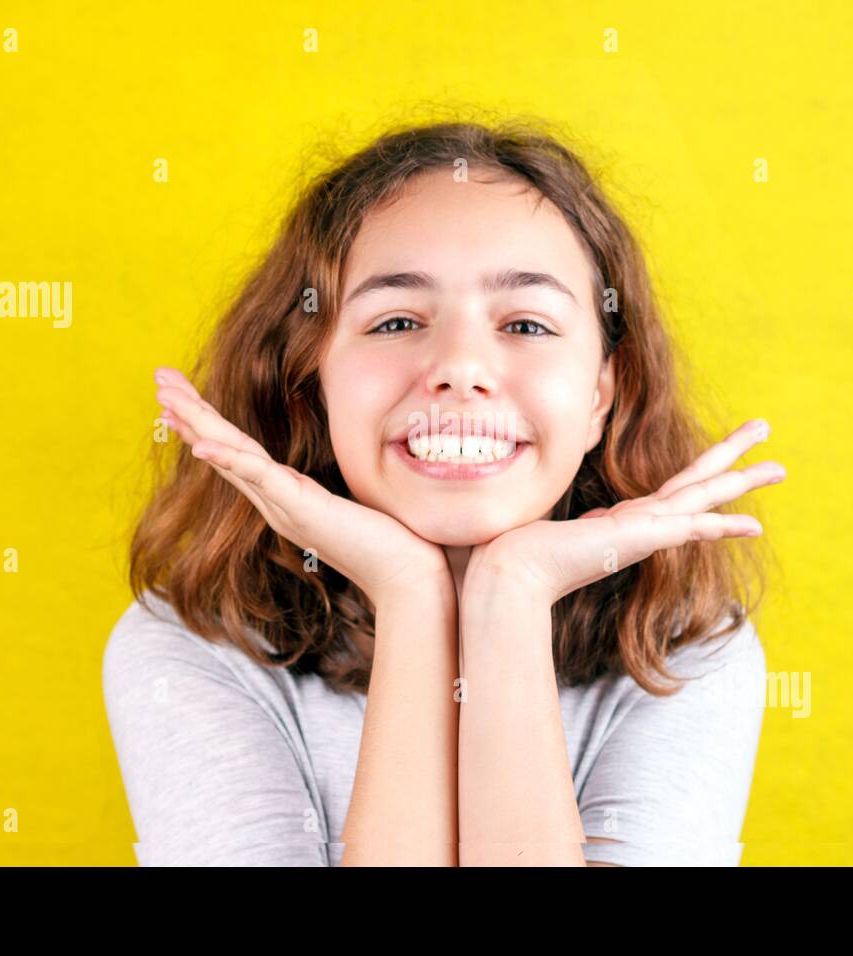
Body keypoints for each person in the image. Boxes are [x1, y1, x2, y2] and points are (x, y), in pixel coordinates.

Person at [102, 118, 787, 866]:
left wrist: (511, 594)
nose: (460, 366)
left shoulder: (686, 650)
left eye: (526, 323)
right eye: (395, 320)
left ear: (599, 396)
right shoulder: (191, 648)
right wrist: (412, 597)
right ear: (312, 382)